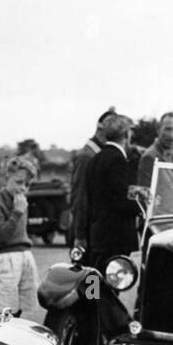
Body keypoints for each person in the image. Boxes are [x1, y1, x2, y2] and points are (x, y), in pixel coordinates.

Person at [0, 154, 40, 317]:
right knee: (4, 309)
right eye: (19, 182)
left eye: (27, 185)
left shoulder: (21, 201)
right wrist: (16, 212)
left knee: (23, 304)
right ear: (7, 177)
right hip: (5, 257)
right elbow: (2, 235)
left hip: (24, 255)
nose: (23, 188)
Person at [83, 112, 137, 271]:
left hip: (97, 234)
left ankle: (91, 296)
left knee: (94, 277)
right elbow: (119, 200)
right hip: (115, 237)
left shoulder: (95, 159)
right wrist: (141, 205)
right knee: (112, 283)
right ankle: (96, 296)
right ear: (126, 134)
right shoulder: (118, 160)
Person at [69, 108, 115, 253]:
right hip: (87, 233)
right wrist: (80, 235)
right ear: (102, 128)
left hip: (98, 232)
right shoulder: (87, 157)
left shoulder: (100, 154)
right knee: (89, 274)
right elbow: (79, 197)